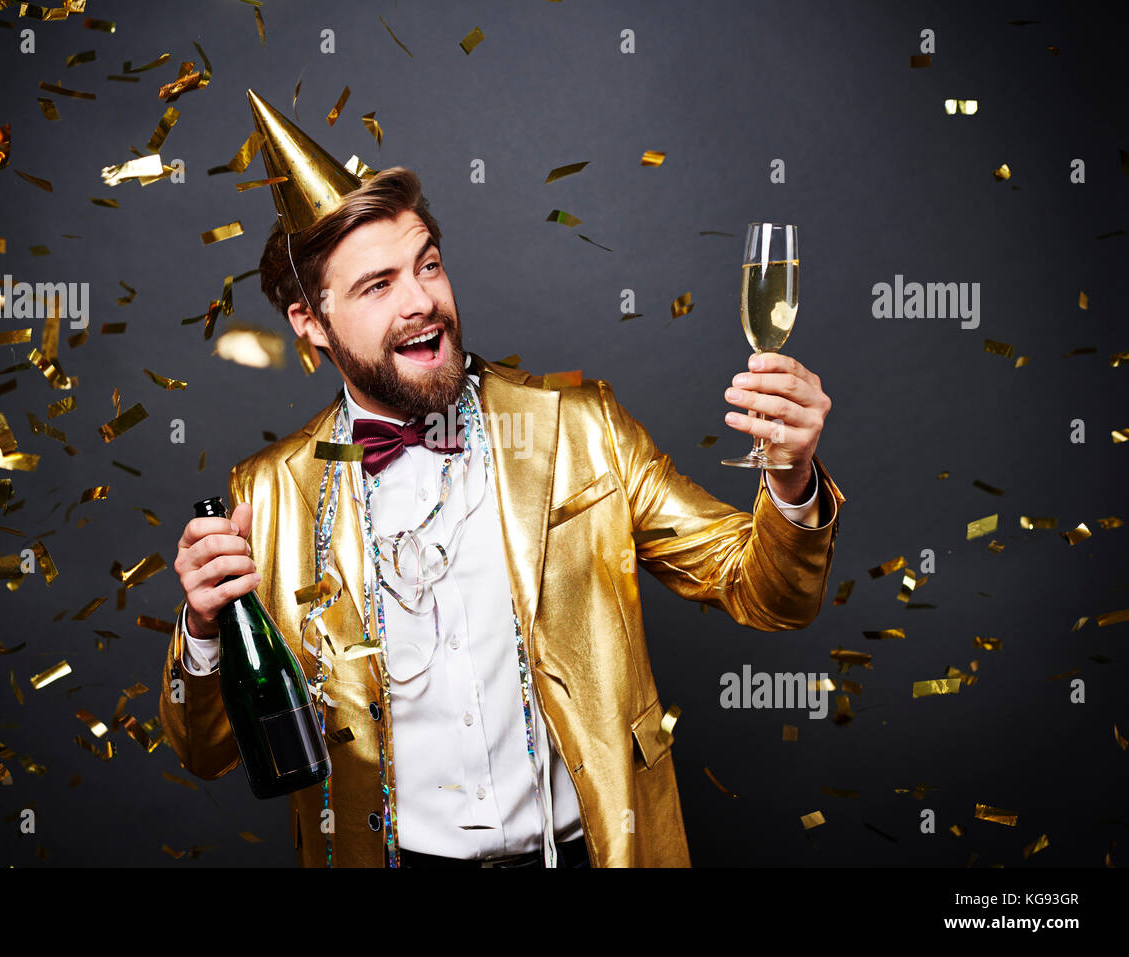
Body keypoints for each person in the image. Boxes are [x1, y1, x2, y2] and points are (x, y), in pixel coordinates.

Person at [159, 91, 845, 868]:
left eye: (427, 264)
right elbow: (205, 752)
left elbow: (768, 595)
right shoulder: (270, 495)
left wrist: (789, 480)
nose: (423, 300)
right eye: (377, 285)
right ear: (310, 323)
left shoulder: (580, 429)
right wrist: (205, 632)